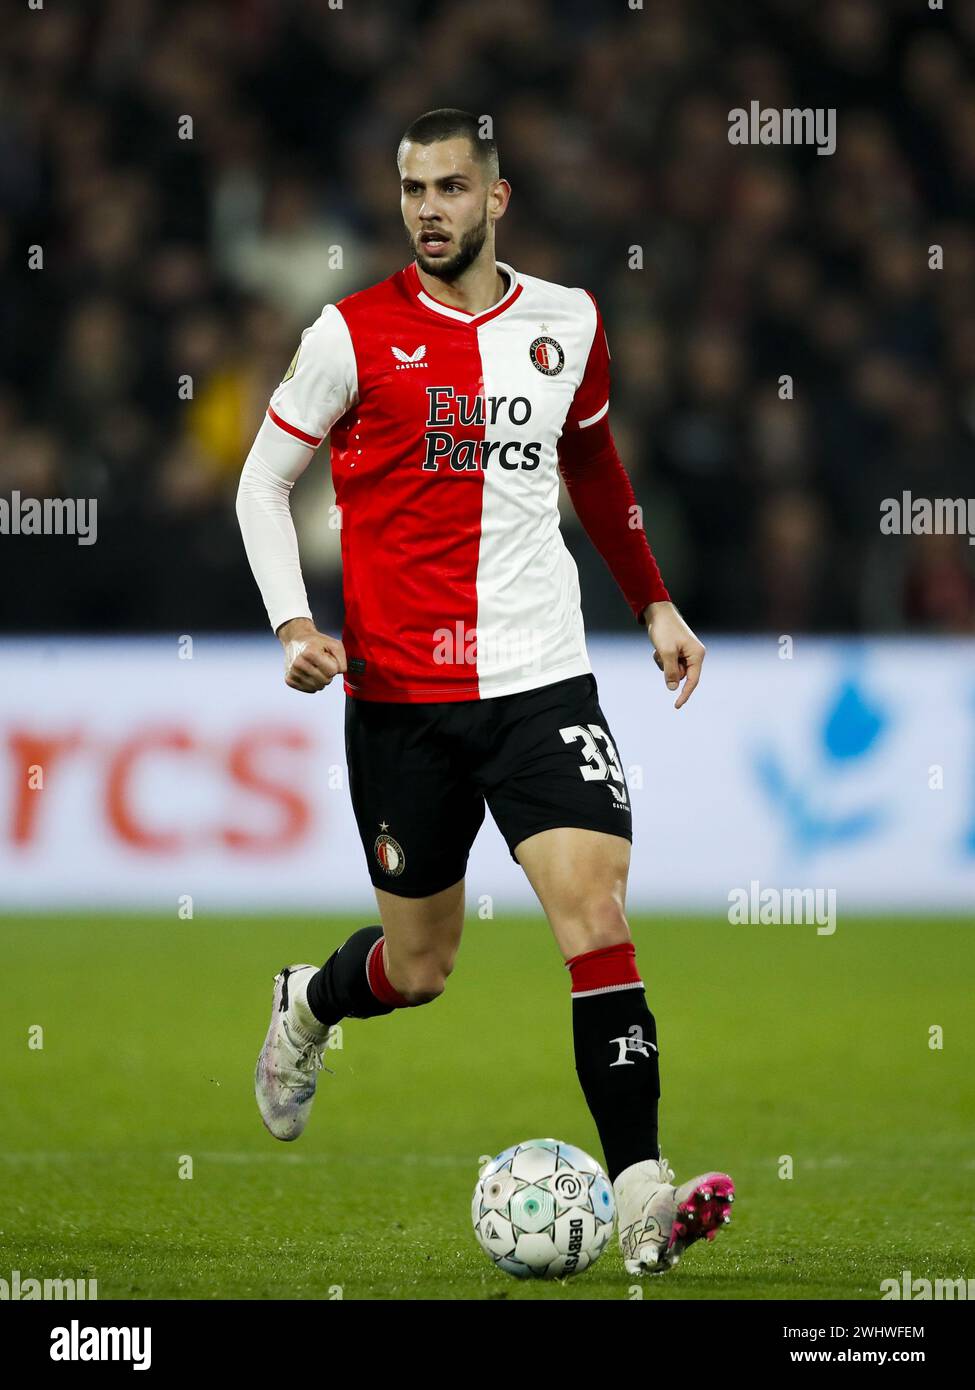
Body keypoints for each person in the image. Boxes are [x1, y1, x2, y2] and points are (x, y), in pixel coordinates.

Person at [235, 108, 733, 1274]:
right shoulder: (348, 334)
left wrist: (653, 600)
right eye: (413, 189)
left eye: (452, 188)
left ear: (496, 199)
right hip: (402, 697)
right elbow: (266, 481)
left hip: (541, 680)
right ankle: (309, 1003)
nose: (429, 210)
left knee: (595, 915)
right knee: (419, 970)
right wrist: (294, 623)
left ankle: (643, 1193)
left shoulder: (569, 321)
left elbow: (596, 470)